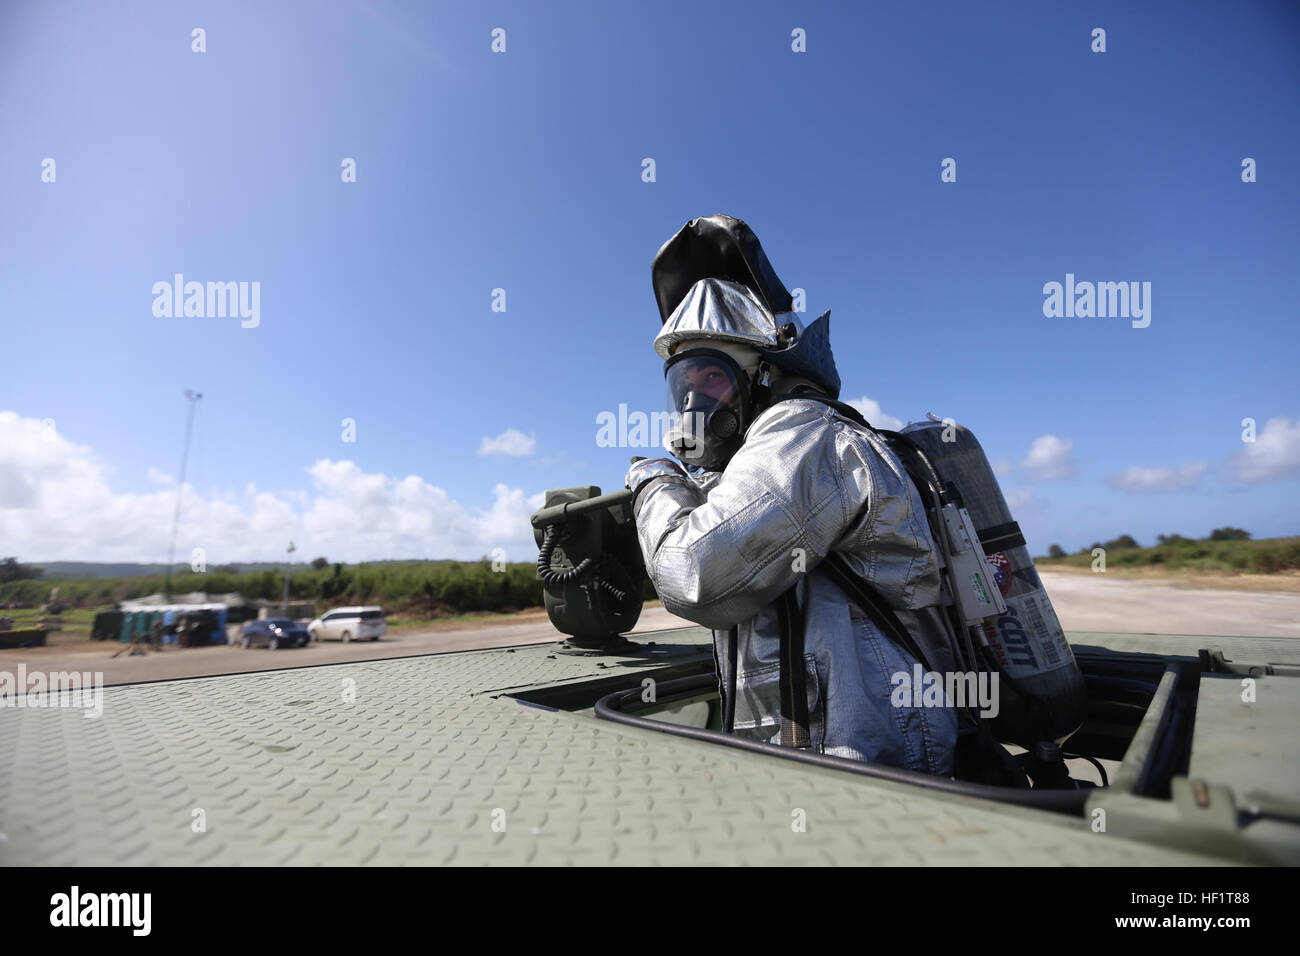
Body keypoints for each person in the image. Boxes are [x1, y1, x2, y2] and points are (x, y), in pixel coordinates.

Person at [624, 215, 958, 773]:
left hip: (876, 766)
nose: (693, 402)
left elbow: (692, 574)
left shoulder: (803, 432)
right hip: (813, 763)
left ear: (763, 376)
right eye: (684, 384)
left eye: (713, 377)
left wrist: (653, 481)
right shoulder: (754, 462)